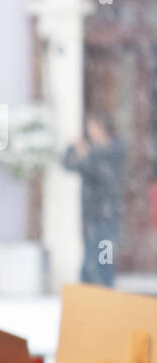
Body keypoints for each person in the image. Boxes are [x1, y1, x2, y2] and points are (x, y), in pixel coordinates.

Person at [63, 112, 127, 287]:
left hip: (107, 215)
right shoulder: (92, 151)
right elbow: (69, 164)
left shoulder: (115, 149)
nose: (91, 132)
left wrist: (86, 153)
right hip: (90, 215)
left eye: (93, 128)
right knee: (89, 262)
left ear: (103, 129)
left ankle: (105, 297)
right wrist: (73, 147)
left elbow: (100, 170)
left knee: (104, 261)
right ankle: (88, 301)